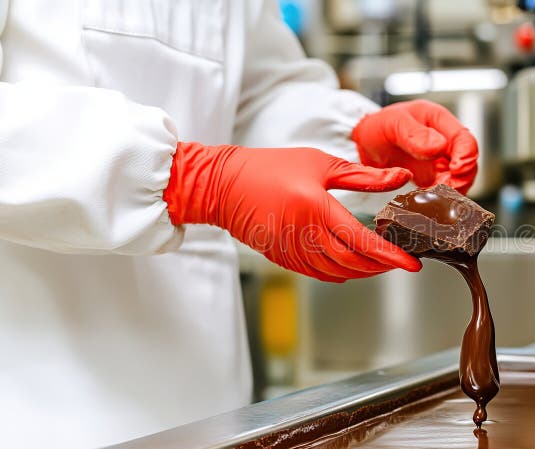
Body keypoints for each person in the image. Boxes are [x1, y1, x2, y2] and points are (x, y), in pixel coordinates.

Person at [0, 1, 478, 447]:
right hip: (41, 404)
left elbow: (253, 93)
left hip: (208, 401)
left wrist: (351, 140)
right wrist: (189, 179)